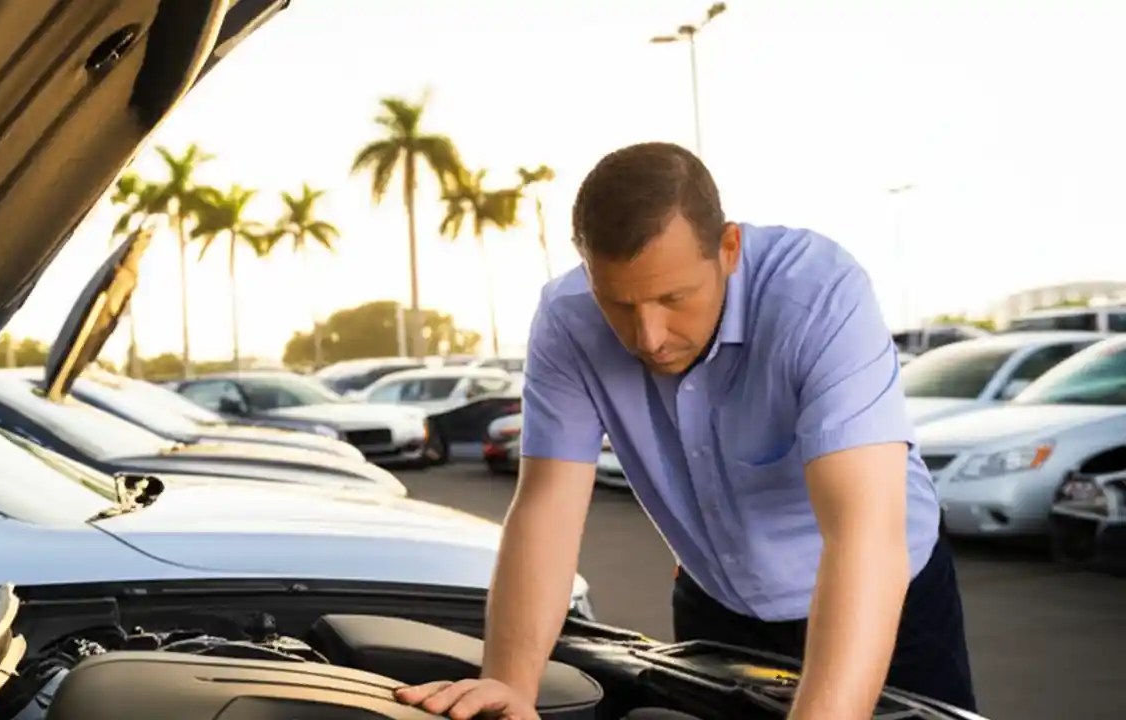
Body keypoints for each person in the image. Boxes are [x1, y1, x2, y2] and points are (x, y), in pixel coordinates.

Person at [393, 141, 975, 720]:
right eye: (619, 304)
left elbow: (863, 536)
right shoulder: (566, 319)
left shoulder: (819, 294)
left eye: (673, 298)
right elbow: (547, 505)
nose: (647, 336)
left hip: (882, 600)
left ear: (728, 249)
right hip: (718, 606)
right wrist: (510, 684)